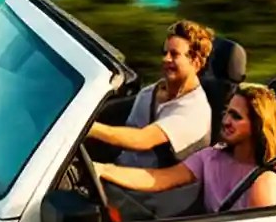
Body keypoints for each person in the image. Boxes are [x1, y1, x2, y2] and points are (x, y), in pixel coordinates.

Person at [95, 83, 276, 215]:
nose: (226, 121)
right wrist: (103, 170)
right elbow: (158, 179)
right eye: (227, 113)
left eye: (236, 117)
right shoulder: (211, 157)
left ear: (257, 126)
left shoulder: (264, 180)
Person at [87, 20, 214, 168]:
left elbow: (142, 140)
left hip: (150, 187)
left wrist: (86, 127)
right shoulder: (149, 93)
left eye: (174, 54)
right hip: (119, 171)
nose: (166, 59)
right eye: (165, 52)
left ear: (196, 63)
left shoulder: (194, 112)